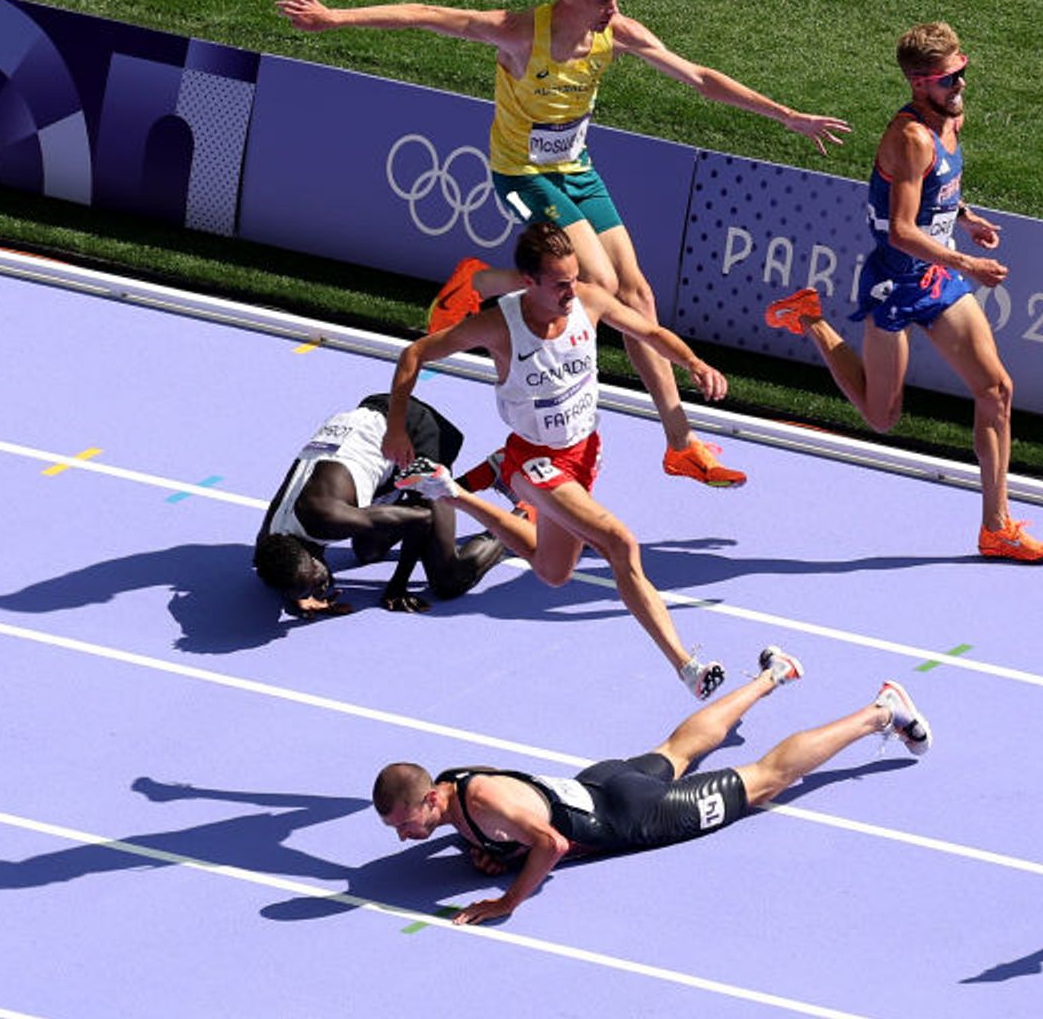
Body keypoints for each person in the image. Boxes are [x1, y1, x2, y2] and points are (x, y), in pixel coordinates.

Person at [276, 0, 851, 489]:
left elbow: (700, 78)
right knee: (597, 281)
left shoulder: (616, 33)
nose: (614, 7)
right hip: (521, 174)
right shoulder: (520, 34)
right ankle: (489, 281)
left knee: (639, 295)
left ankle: (680, 446)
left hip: (576, 170)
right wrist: (334, 18)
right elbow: (426, 13)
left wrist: (789, 117)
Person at [382, 221, 732, 699]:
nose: (573, 291)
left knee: (553, 573)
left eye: (574, 278)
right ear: (529, 282)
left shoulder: (587, 300)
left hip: (584, 452)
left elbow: (650, 331)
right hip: (534, 462)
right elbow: (414, 354)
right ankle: (686, 666)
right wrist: (395, 427)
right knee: (619, 543)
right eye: (560, 283)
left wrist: (695, 364)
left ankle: (454, 494)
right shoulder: (498, 327)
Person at [762, 22, 1043, 564]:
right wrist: (967, 260)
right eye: (949, 79)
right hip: (896, 281)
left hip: (937, 275)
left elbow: (939, 189)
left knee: (996, 391)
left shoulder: (951, 119)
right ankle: (809, 317)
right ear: (921, 84)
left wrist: (965, 218)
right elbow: (900, 229)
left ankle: (996, 527)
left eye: (963, 70)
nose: (961, 85)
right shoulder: (910, 138)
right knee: (883, 417)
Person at [371, 646, 930, 924]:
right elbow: (511, 827)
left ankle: (880, 712)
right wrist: (492, 848)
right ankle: (773, 674)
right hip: (600, 782)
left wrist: (507, 899)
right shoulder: (451, 784)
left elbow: (552, 845)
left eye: (404, 824)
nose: (403, 838)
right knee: (677, 748)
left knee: (765, 780)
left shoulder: (482, 803)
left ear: (428, 800)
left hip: (636, 817)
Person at [253, 394, 504, 617]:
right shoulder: (269, 543)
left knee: (448, 580)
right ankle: (480, 476)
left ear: (306, 557)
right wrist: (298, 594)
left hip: (409, 432)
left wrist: (397, 585)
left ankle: (521, 517)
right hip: (367, 434)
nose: (319, 588)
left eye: (314, 583)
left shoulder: (328, 518)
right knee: (368, 551)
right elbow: (274, 574)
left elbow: (421, 518)